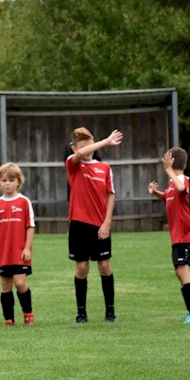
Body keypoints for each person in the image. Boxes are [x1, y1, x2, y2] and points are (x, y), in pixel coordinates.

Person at [66, 127, 122, 324]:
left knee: (105, 266)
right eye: (82, 146)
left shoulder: (105, 168)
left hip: (100, 225)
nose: (88, 149)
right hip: (79, 225)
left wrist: (107, 222)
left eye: (90, 144)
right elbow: (80, 154)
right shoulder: (73, 165)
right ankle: (81, 314)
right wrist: (106, 141)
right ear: (74, 148)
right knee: (81, 268)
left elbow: (110, 195)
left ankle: (110, 312)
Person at [148, 148, 190, 323]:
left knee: (182, 270)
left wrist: (167, 170)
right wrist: (154, 192)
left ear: (171, 162)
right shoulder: (172, 183)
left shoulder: (181, 180)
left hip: (185, 234)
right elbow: (168, 197)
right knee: (179, 271)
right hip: (177, 236)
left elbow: (181, 188)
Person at [0, 163, 35, 326]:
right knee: (5, 284)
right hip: (3, 252)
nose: (7, 183)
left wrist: (27, 248)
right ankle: (9, 319)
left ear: (18, 182)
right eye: (4, 180)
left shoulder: (24, 202)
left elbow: (30, 226)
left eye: (11, 180)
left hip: (20, 252)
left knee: (20, 283)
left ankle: (28, 314)